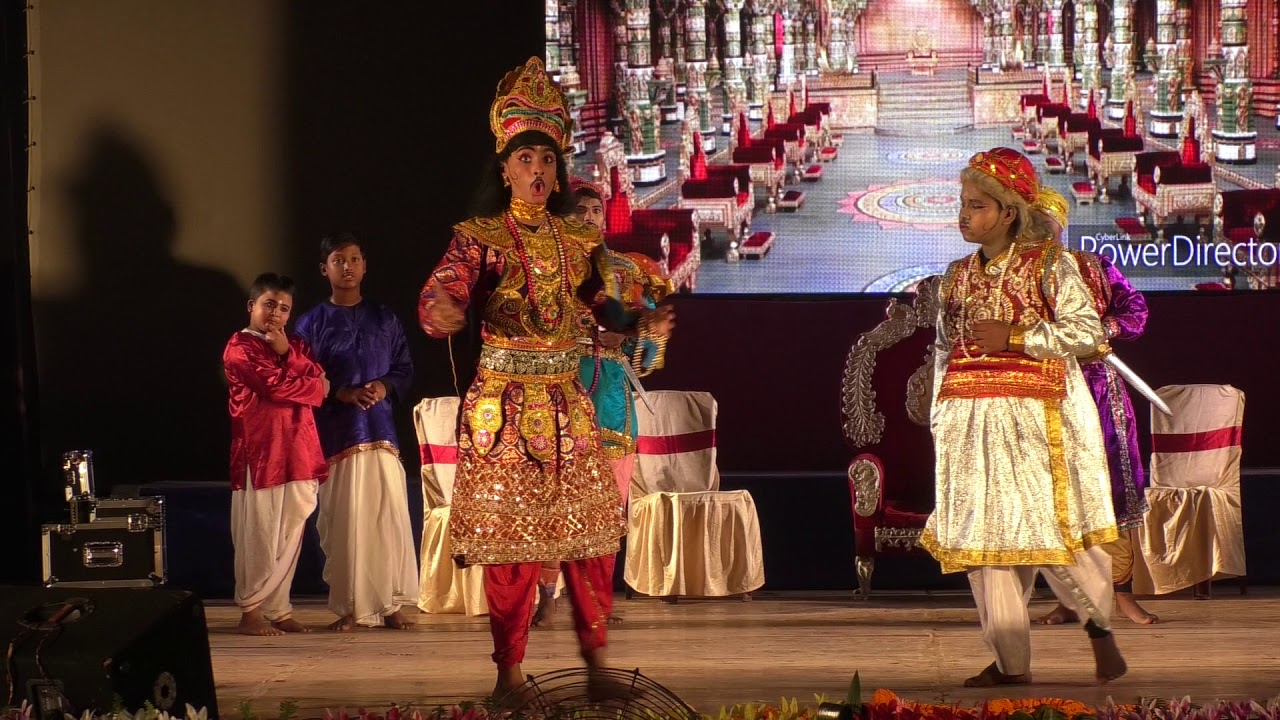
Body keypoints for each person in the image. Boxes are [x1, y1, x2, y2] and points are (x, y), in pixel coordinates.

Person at [417, 57, 674, 699]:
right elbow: (439, 294)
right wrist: (440, 311)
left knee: (593, 536)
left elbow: (610, 313)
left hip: (568, 400)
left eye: (548, 161)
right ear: (504, 166)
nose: (538, 172)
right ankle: (509, 673)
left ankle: (596, 666)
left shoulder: (579, 243)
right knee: (513, 548)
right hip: (502, 409)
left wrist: (644, 333)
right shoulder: (476, 237)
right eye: (526, 160)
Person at [919, 148, 1127, 687]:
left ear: (1009, 211)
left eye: (977, 206)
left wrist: (1015, 337)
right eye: (963, 205)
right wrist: (942, 410)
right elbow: (945, 347)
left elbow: (1089, 336)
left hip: (1039, 417)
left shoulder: (1051, 266)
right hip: (970, 418)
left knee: (1048, 530)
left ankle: (1099, 629)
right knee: (984, 542)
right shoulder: (956, 276)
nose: (964, 216)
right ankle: (1011, 664)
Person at [528, 177, 676, 627]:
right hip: (558, 397)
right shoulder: (543, 273)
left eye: (594, 212)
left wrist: (629, 334)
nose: (588, 218)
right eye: (578, 212)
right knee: (554, 502)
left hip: (612, 400)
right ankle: (548, 595)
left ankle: (594, 598)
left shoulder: (630, 273)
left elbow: (652, 356)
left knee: (608, 508)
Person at [1030, 188, 1158, 626]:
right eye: (1032, 226)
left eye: (1047, 226)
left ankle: (1121, 593)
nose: (1040, 234)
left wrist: (1105, 326)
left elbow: (1135, 309)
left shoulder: (1094, 267)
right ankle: (1071, 599)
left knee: (1115, 488)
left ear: (1062, 228)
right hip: (1045, 390)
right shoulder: (1017, 278)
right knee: (1056, 495)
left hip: (1100, 388)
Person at [294, 232, 420, 632]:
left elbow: (403, 368)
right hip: (337, 435)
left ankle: (390, 604)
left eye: (353, 259)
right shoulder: (310, 324)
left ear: (365, 265)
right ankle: (351, 607)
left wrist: (384, 387)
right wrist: (341, 393)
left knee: (387, 518)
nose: (346, 267)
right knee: (345, 522)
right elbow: (301, 376)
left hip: (381, 431)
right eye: (337, 260)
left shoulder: (385, 318)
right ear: (324, 269)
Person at [222, 272, 329, 636]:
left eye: (284, 308)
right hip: (261, 452)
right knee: (260, 532)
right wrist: (314, 385)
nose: (276, 314)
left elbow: (317, 373)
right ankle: (250, 611)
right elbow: (276, 386)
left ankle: (279, 609)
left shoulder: (292, 345)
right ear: (252, 305)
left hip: (298, 449)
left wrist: (287, 354)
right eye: (270, 304)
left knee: (291, 530)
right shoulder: (240, 347)